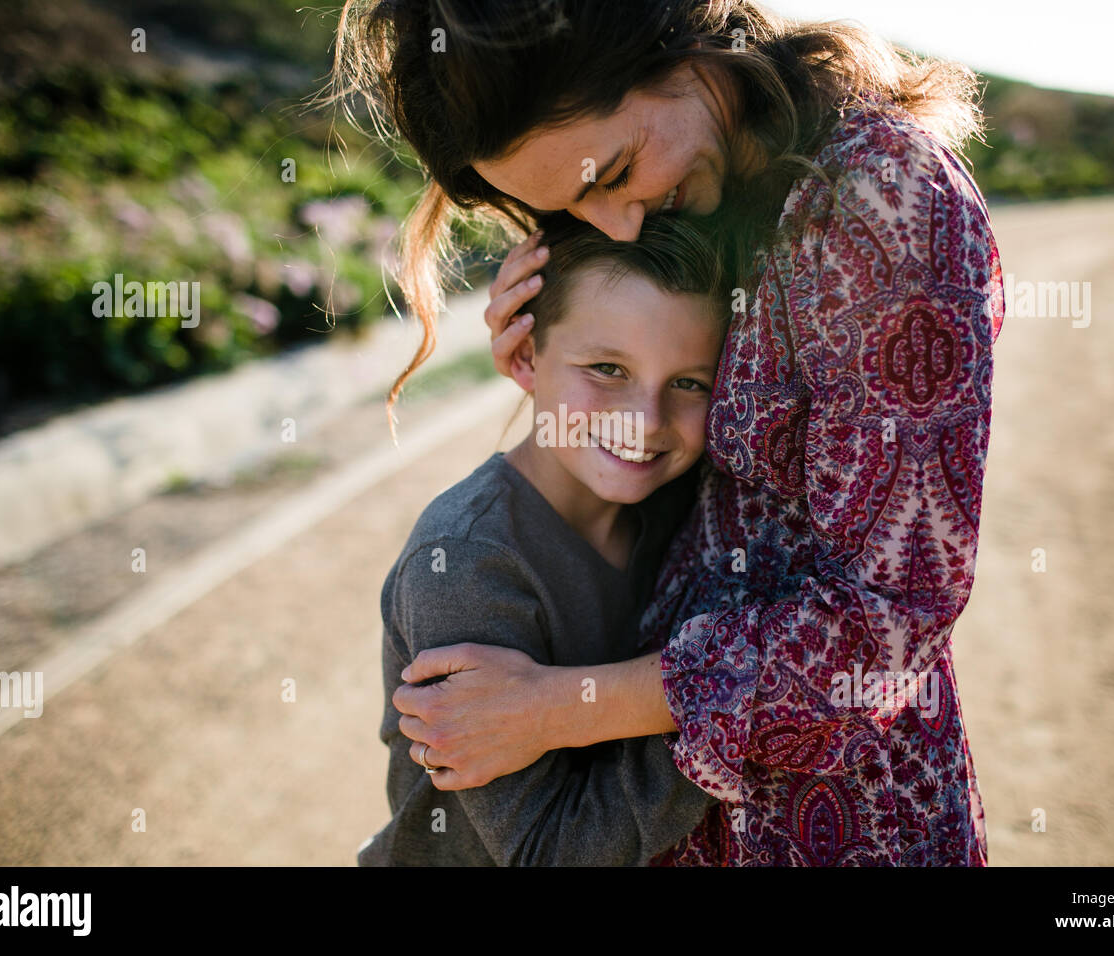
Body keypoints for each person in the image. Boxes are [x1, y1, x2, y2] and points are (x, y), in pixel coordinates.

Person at [334, 0, 1005, 865]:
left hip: (831, 823)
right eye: (571, 210)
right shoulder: (698, 180)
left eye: (610, 173)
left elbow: (892, 617)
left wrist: (560, 706)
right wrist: (566, 360)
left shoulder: (880, 199)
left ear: (680, 40)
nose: (619, 225)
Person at [358, 213, 729, 865]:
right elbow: (547, 851)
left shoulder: (678, 501)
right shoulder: (466, 562)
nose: (645, 421)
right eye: (607, 368)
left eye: (690, 382)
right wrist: (728, 713)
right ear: (525, 356)